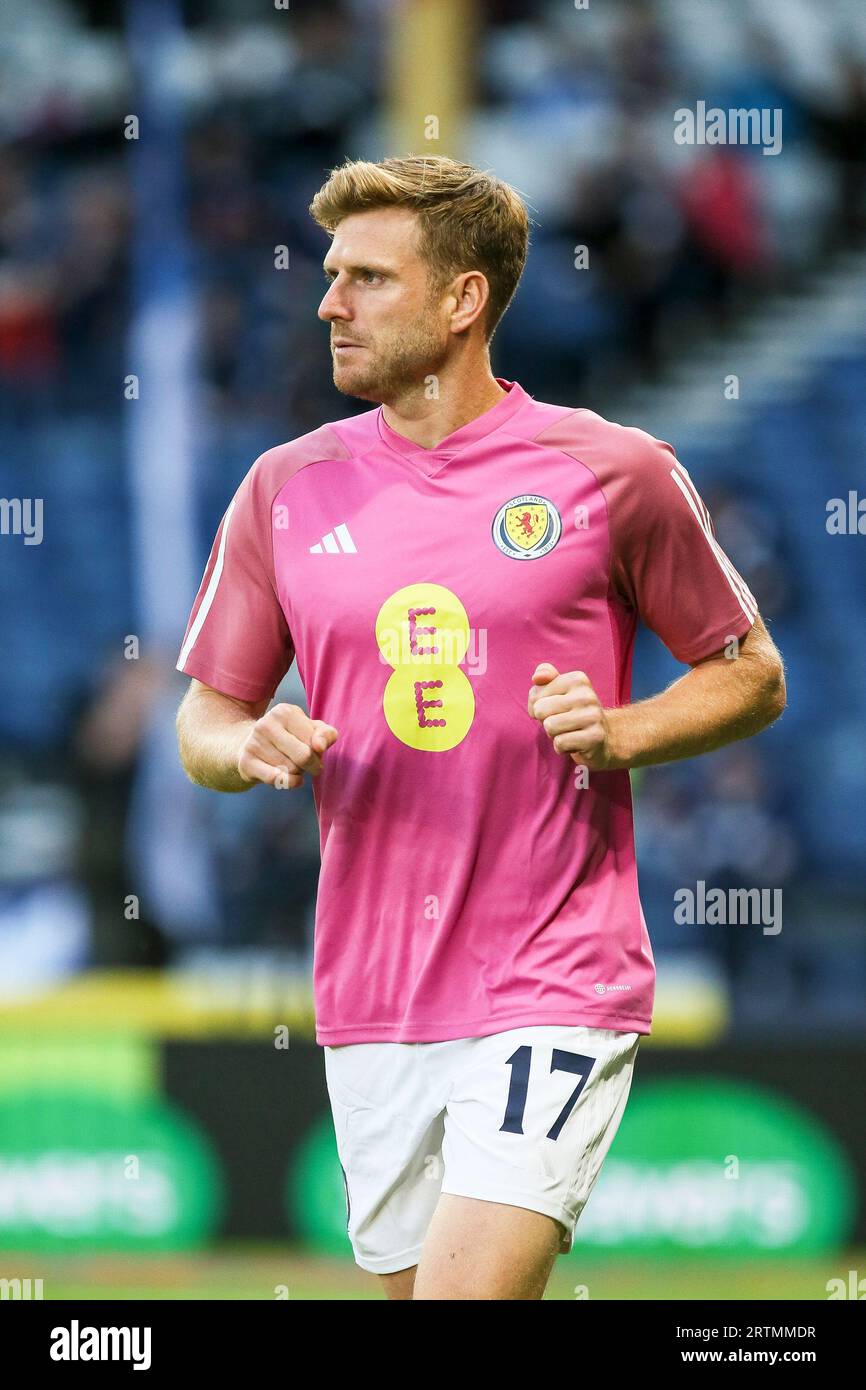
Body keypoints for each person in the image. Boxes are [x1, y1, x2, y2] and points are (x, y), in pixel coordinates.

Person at [175, 155, 786, 1300]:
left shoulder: (613, 470)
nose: (326, 304)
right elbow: (204, 719)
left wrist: (621, 730)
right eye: (328, 275)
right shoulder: (283, 488)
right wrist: (242, 745)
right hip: (371, 987)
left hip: (551, 970)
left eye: (366, 278)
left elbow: (747, 672)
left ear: (461, 301)